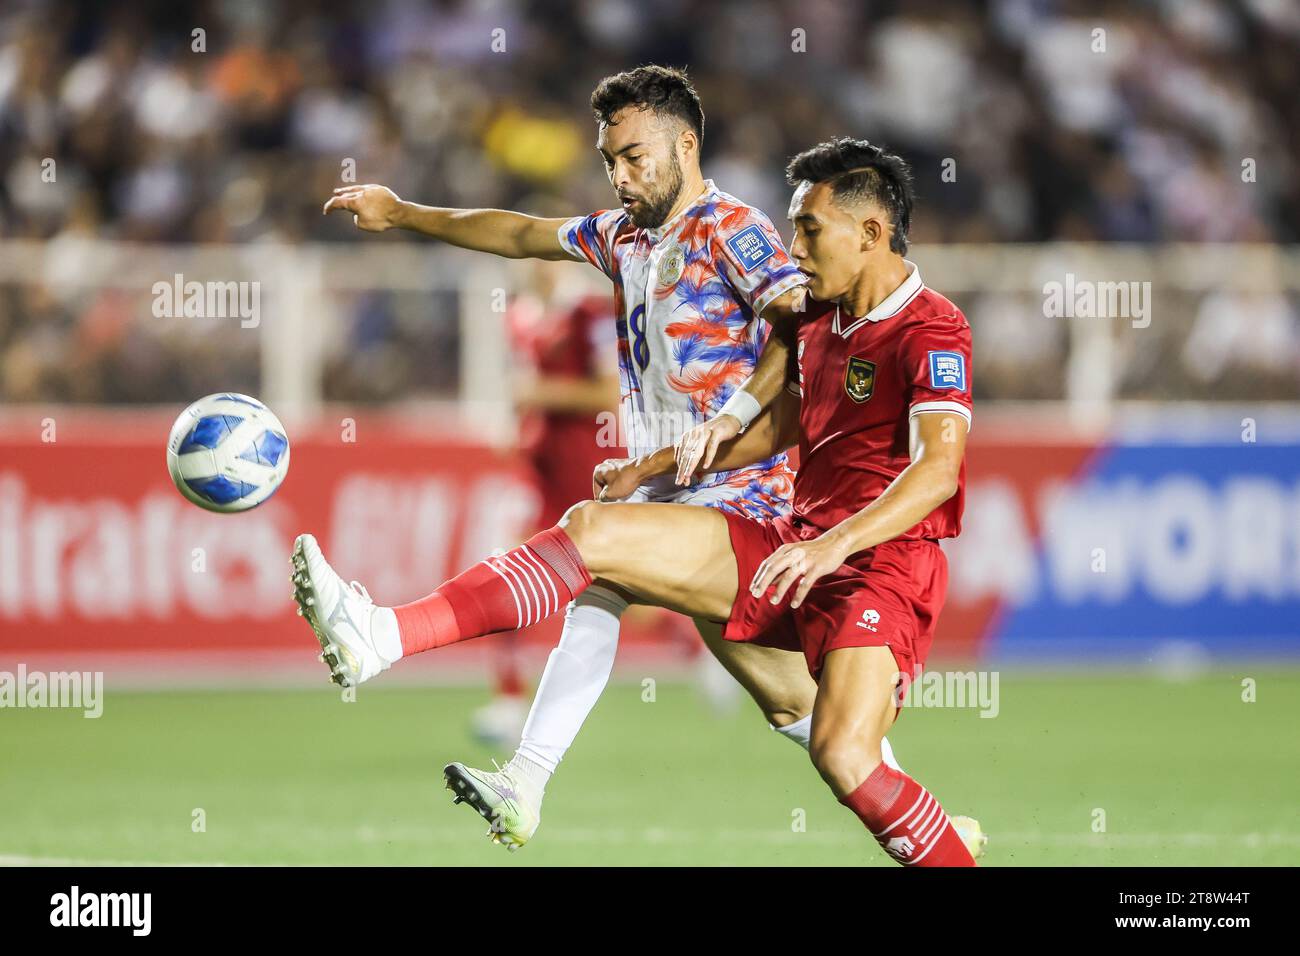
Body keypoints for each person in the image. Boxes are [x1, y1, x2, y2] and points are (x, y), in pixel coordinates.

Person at [296, 136, 986, 866]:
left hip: (876, 565)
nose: (795, 246)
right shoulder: (816, 314)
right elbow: (788, 423)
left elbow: (938, 471)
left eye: (809, 228)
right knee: (597, 541)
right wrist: (653, 467)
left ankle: (939, 842)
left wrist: (834, 543)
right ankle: (390, 643)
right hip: (788, 540)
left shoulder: (931, 327)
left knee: (843, 754)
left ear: (871, 233)